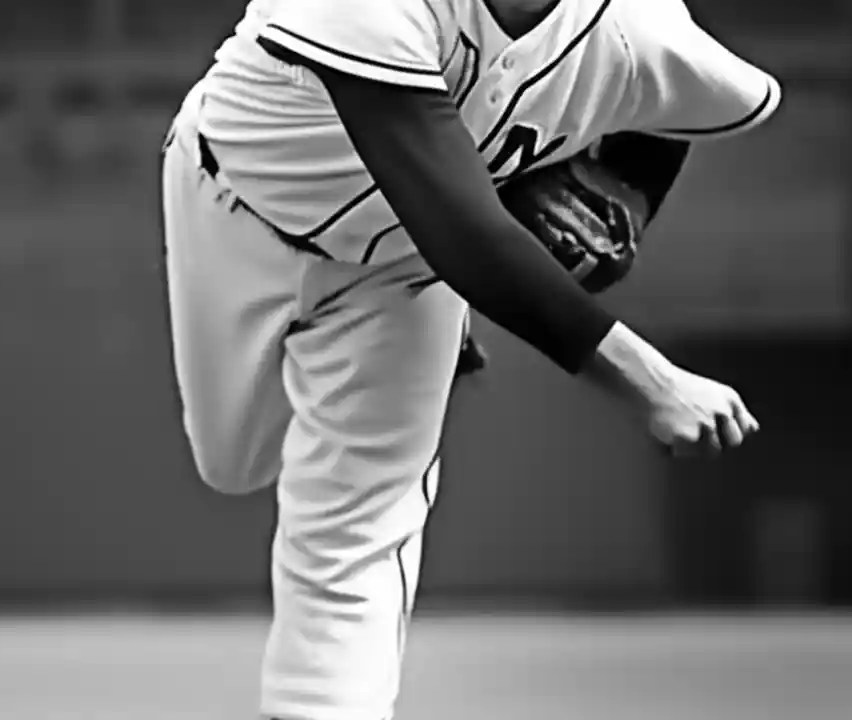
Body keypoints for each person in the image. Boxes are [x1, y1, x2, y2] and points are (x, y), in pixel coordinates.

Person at [159, 0, 779, 717]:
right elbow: (468, 234)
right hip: (235, 212)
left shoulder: (631, 22)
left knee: (356, 533)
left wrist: (628, 195)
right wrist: (654, 381)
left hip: (404, 279)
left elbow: (687, 96)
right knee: (232, 462)